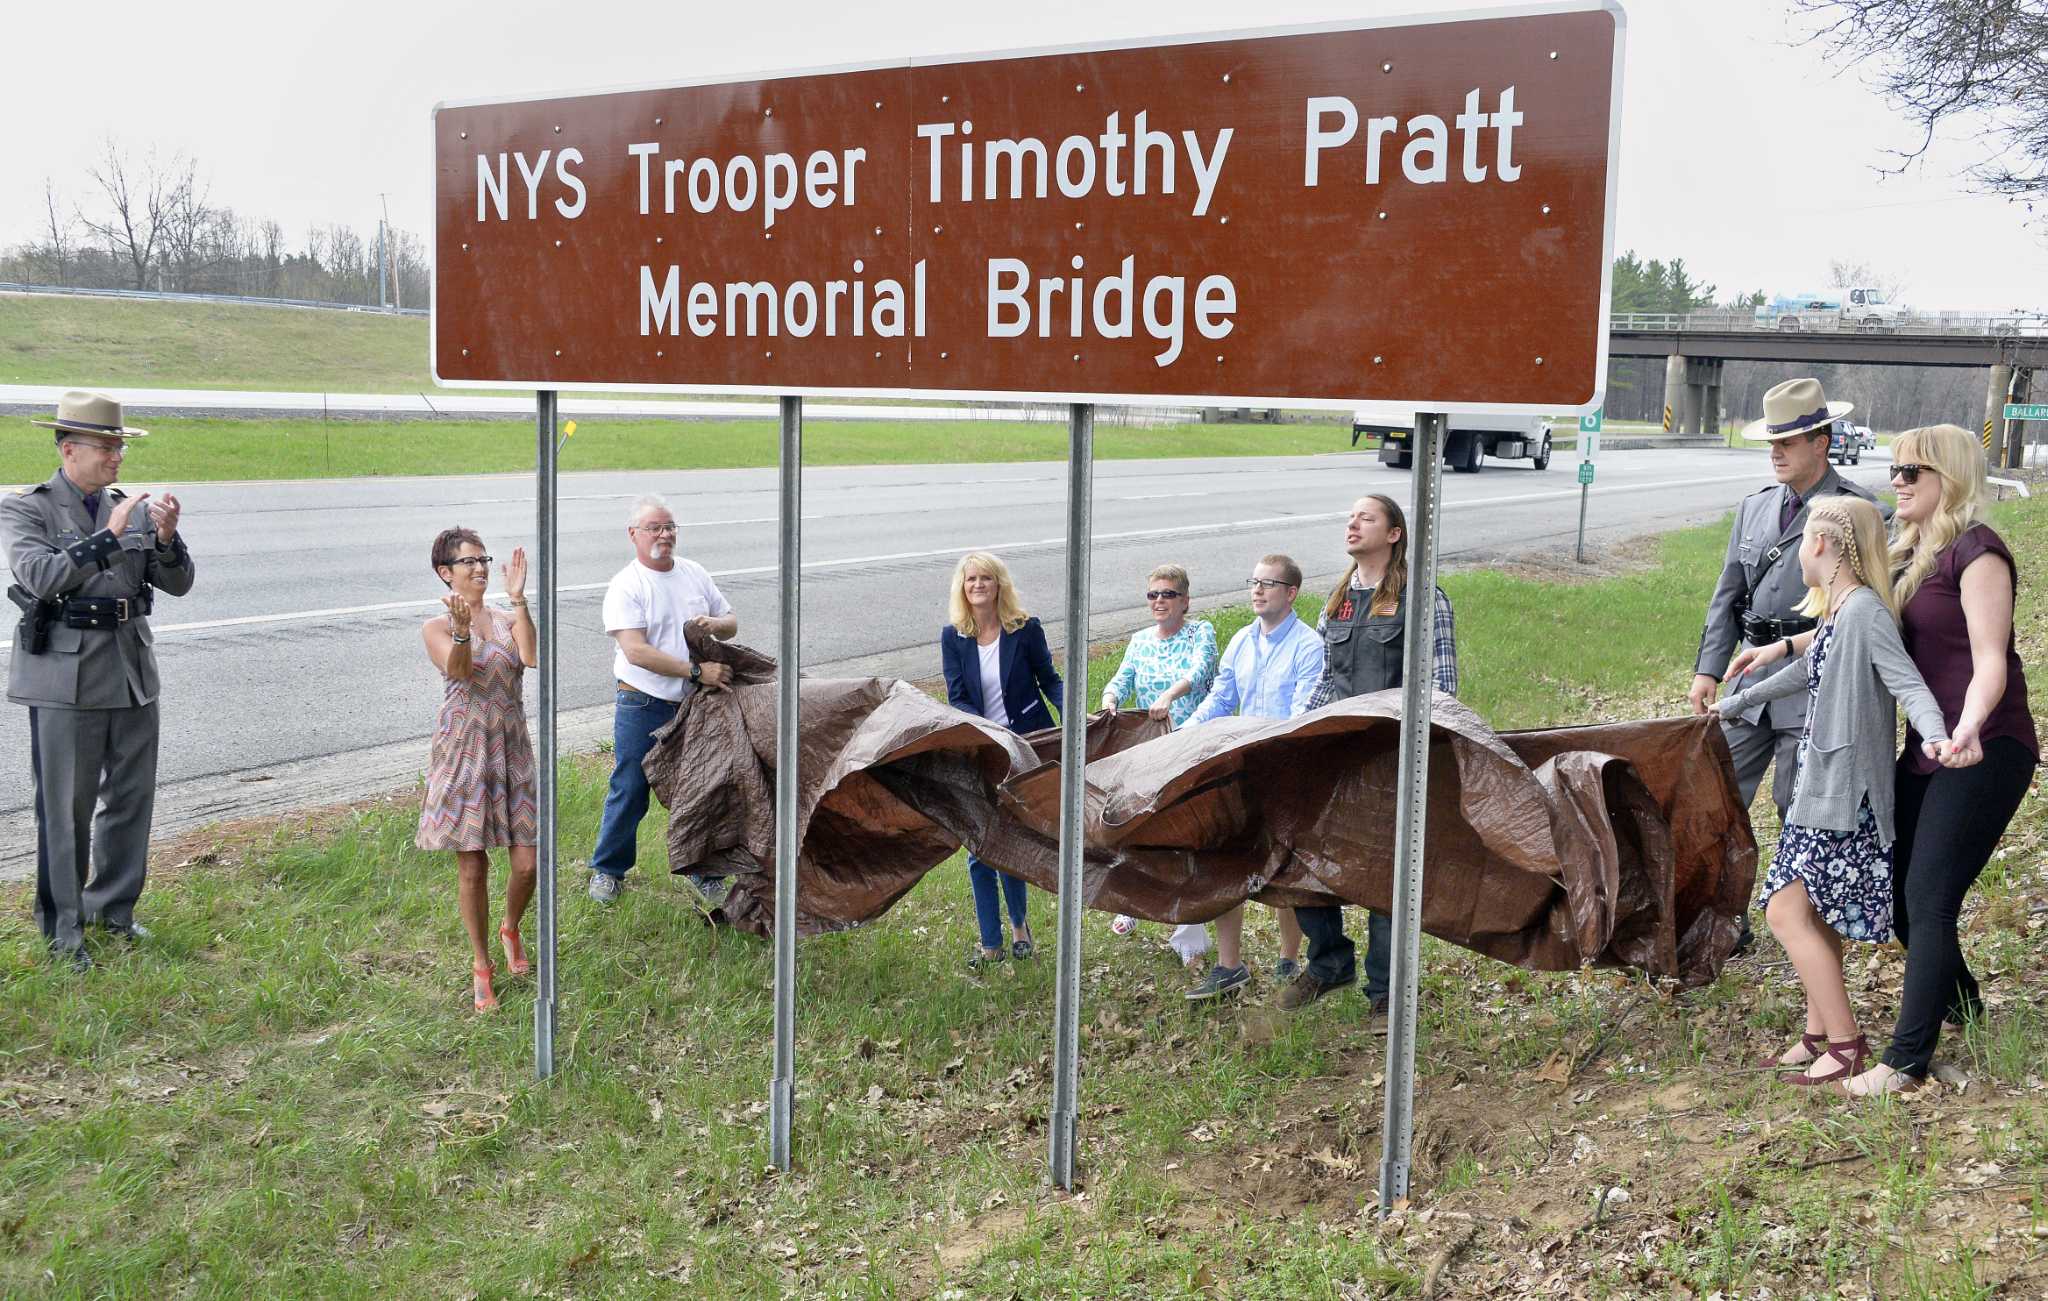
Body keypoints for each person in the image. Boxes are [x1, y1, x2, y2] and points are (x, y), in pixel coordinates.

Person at [1732, 425, 2037, 1096]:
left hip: (1984, 747)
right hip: (1931, 747)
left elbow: (1990, 661)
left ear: (1949, 478)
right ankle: (1965, 1008)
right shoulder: (1909, 553)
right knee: (1898, 895)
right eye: (1895, 469)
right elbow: (1856, 620)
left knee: (1928, 896)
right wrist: (1782, 649)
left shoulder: (1978, 554)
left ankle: (1904, 1060)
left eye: (1913, 471)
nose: (1897, 480)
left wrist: (1966, 728)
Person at [1714, 497, 1949, 1086]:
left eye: (1803, 541)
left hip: (1845, 799)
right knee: (1809, 911)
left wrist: (1937, 736)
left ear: (1820, 545)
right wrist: (1737, 702)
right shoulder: (1841, 610)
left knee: (1784, 911)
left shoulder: (1865, 613)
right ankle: (1818, 1032)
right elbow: (1808, 670)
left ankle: (1845, 1044)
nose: (1798, 551)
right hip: (1818, 789)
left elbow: (1909, 686)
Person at [3, 391, 196, 972]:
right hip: (65, 677)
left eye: (120, 447)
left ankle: (112, 910)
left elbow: (178, 584)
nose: (117, 457)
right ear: (69, 450)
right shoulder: (28, 509)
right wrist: (107, 537)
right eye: (106, 447)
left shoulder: (130, 507)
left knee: (131, 799)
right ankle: (62, 933)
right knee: (66, 808)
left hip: (131, 670)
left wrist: (167, 540)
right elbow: (39, 577)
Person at [1280, 494, 1458, 1013]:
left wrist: (1412, 746)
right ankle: (1329, 963)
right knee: (1301, 853)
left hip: (1392, 758)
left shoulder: (1422, 597)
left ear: (1394, 534)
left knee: (1388, 874)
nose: (1352, 523)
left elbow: (1442, 686)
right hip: (1336, 757)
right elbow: (1323, 682)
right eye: (1350, 516)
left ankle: (1386, 993)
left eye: (1367, 517)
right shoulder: (1336, 602)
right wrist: (1295, 734)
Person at [1689, 378, 1886, 823]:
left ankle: (1793, 872)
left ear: (1821, 443)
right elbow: (1728, 594)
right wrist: (1708, 670)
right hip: (1750, 679)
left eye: (1787, 442)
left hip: (1815, 680)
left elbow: (1868, 611)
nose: (1775, 453)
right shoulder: (1754, 508)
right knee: (1713, 801)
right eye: (1772, 442)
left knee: (1796, 808)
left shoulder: (1861, 513)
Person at [1178, 554, 1325, 1000]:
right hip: (1239, 770)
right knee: (1227, 861)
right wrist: (1184, 735)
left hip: (1286, 773)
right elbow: (1221, 699)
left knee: (1284, 869)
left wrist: (1267, 750)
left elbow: (1302, 714)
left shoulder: (1308, 646)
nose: (1257, 590)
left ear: (1291, 593)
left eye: (1268, 584)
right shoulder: (1241, 640)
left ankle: (1288, 959)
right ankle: (1230, 967)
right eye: (1254, 582)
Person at [588, 495, 736, 906]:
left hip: (694, 705)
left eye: (670, 527)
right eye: (654, 528)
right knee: (630, 786)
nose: (664, 534)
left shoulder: (694, 573)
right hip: (643, 701)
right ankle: (608, 871)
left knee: (702, 787)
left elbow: (731, 623)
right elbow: (636, 651)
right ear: (633, 534)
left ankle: (707, 873)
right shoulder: (627, 585)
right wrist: (696, 672)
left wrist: (716, 623)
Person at [416, 529, 539, 1012]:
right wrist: (463, 631)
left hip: (511, 748)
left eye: (483, 559)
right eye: (468, 562)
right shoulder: (436, 627)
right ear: (445, 573)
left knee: (527, 864)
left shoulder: (507, 618)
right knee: (473, 865)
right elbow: (460, 671)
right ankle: (482, 964)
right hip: (465, 751)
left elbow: (530, 657)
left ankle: (511, 927)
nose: (480, 568)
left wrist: (519, 599)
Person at [940, 551, 1061, 969]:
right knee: (980, 846)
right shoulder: (953, 636)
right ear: (963, 587)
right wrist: (986, 733)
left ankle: (1020, 928)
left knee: (1010, 839)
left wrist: (1072, 716)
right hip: (983, 750)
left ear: (998, 585)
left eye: (985, 578)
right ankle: (990, 942)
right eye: (970, 579)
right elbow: (958, 697)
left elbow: (1049, 681)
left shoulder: (1024, 629)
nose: (978, 585)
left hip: (1026, 746)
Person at [1099, 564, 1219, 967]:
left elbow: (1200, 672)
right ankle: (1134, 903)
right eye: (1153, 595)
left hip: (1192, 747)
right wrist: (1110, 699)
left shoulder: (1200, 633)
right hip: (1151, 750)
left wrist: (1169, 695)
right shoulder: (1139, 641)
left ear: (1185, 600)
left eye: (1168, 594)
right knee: (1138, 828)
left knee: (1186, 838)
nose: (1160, 601)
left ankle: (1190, 936)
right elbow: (1122, 679)